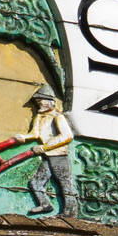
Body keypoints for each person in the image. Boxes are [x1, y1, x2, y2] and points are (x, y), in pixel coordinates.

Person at [13, 84, 78, 217]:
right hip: (49, 156)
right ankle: (45, 205)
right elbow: (35, 133)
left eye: (41, 100)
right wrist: (24, 138)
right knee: (36, 182)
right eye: (37, 101)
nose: (39, 103)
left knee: (64, 183)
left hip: (59, 156)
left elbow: (67, 136)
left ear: (50, 101)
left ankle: (70, 212)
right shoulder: (40, 117)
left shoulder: (57, 117)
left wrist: (44, 147)